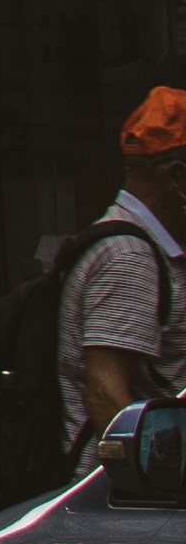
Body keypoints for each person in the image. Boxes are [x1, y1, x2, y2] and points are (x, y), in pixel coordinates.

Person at [63, 89, 186, 461]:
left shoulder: (154, 248)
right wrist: (153, 489)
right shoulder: (129, 258)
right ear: (178, 177)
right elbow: (104, 393)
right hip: (122, 505)